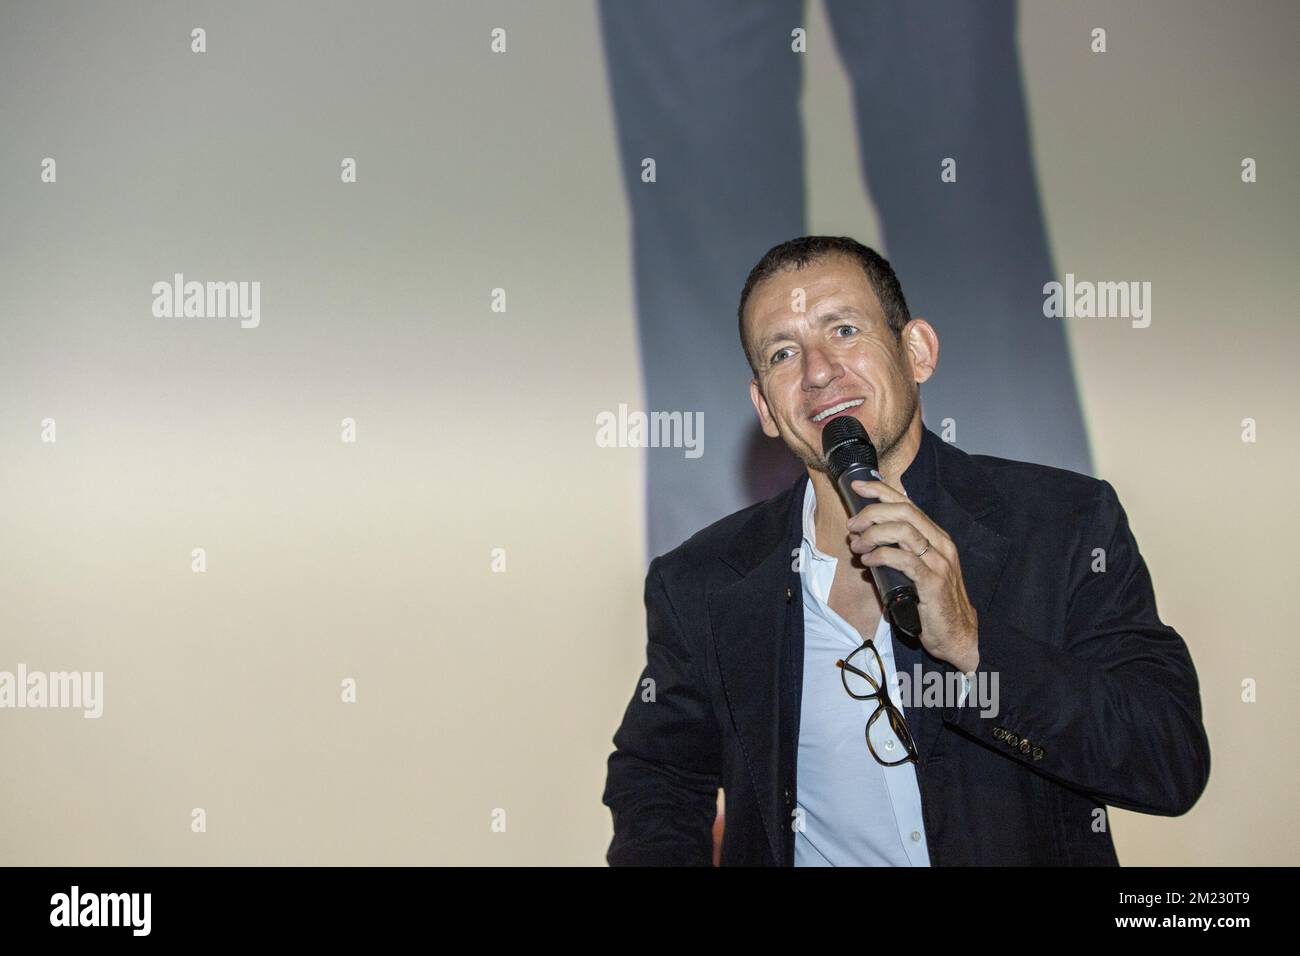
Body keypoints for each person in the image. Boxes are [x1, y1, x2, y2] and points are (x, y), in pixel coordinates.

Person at [601, 236, 1210, 866]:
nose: (817, 371)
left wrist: (974, 644)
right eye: (783, 352)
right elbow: (658, 778)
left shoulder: (1064, 525)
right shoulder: (704, 582)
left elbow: (1168, 762)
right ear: (765, 407)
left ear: (916, 350)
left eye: (843, 330)